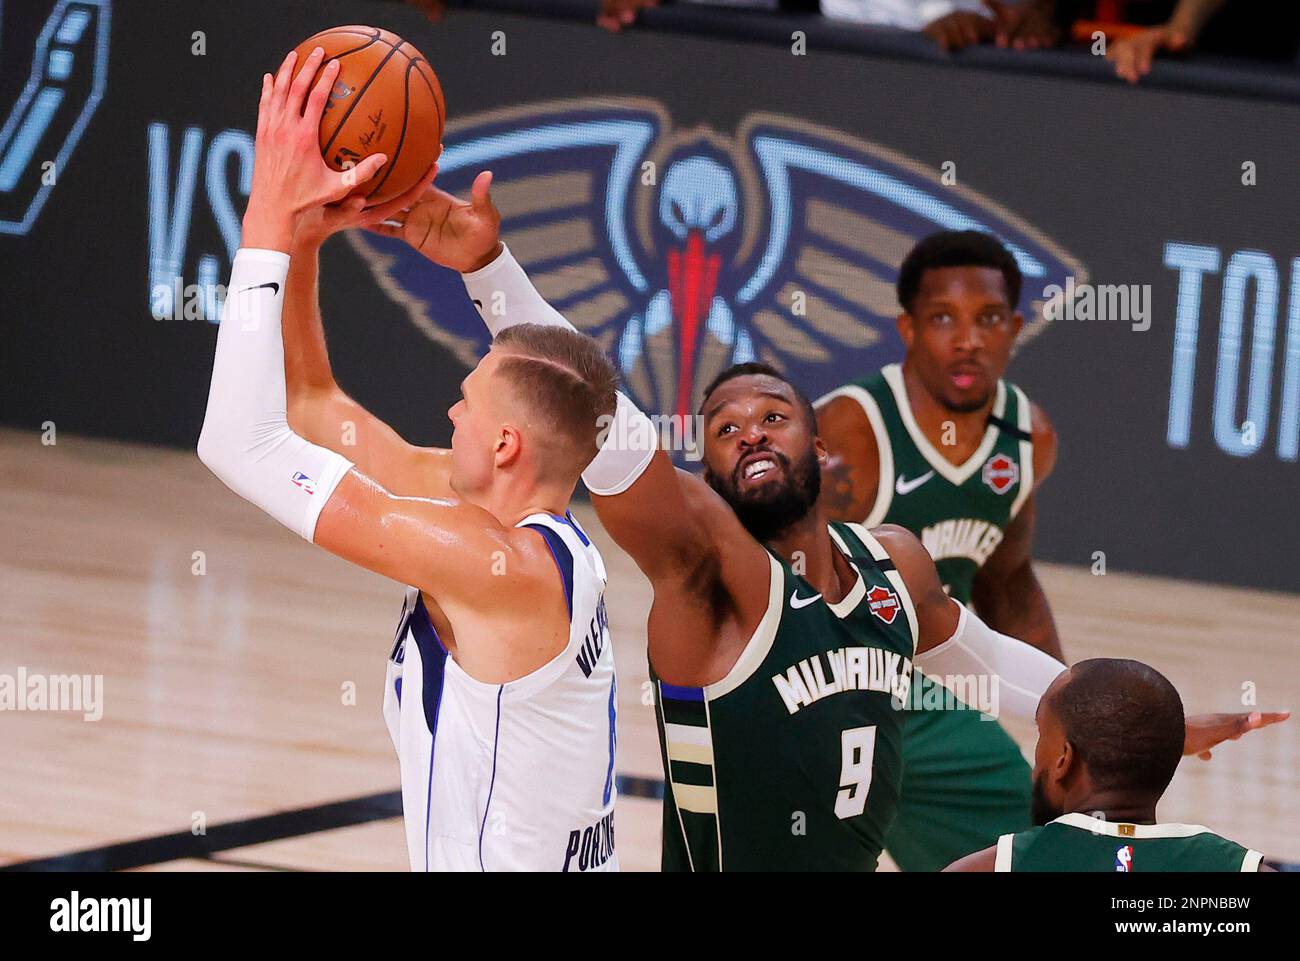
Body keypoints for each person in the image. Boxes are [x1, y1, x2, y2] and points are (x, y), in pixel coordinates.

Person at [364, 173, 1275, 870]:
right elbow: (605, 423)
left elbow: (989, 662)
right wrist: (490, 270)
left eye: (772, 416)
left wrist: (1129, 727)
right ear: (709, 474)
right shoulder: (708, 570)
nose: (749, 432)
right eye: (723, 429)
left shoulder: (896, 567)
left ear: (822, 450)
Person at [196, 48, 621, 872]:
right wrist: (311, 240)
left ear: (506, 444)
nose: (450, 411)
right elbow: (312, 407)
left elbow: (237, 444)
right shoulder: (521, 537)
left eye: (469, 401)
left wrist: (268, 222)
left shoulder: (492, 564)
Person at [946, 658, 1278, 871]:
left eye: (1040, 736)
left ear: (1064, 760)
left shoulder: (989, 867)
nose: (1035, 769)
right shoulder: (1237, 868)